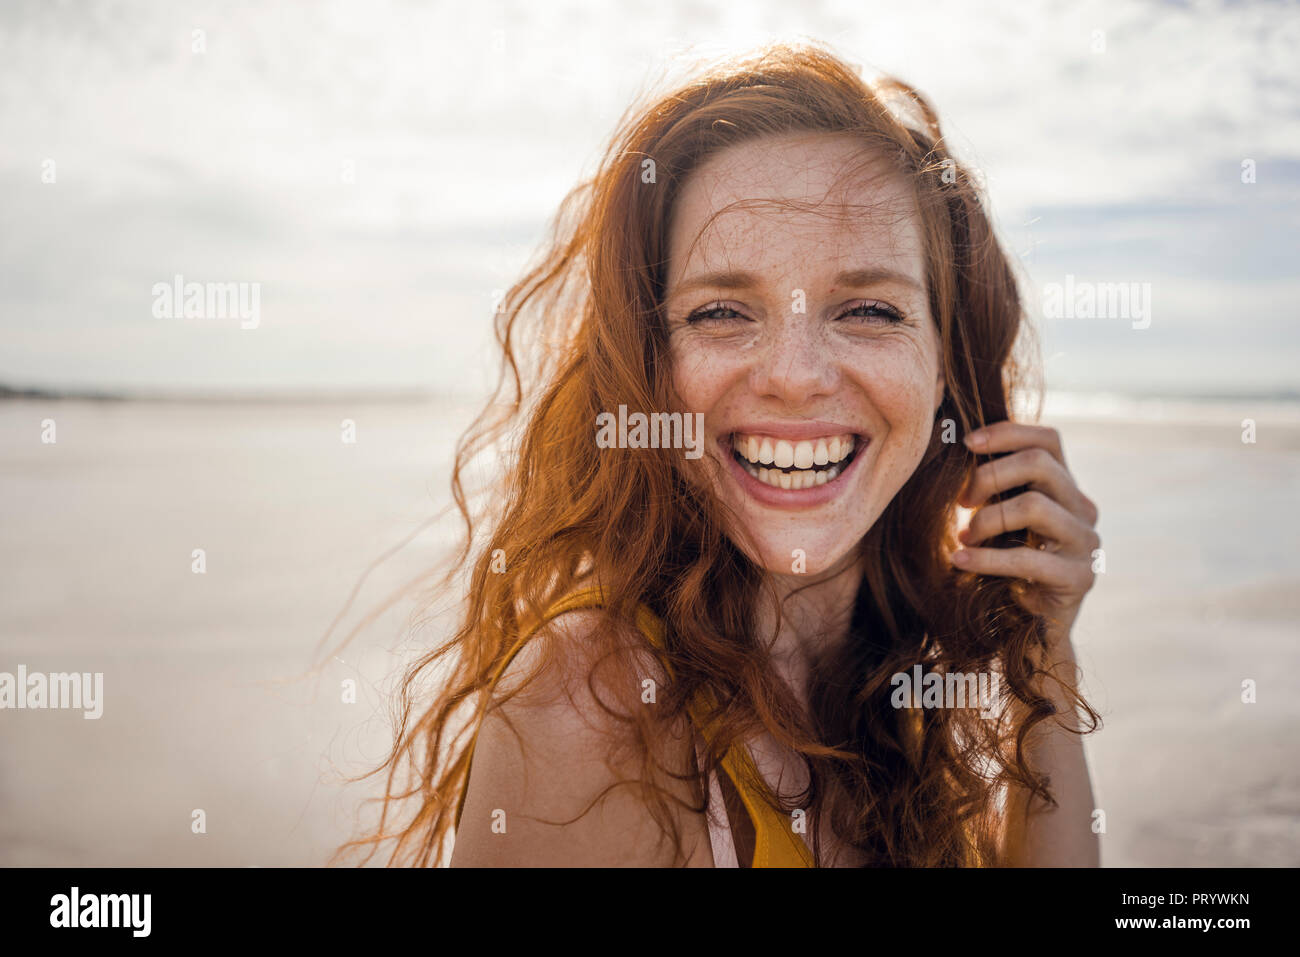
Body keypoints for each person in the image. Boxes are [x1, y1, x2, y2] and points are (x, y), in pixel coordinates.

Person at [337, 41, 1102, 868]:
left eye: (871, 309)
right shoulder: (591, 706)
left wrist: (1042, 655)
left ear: (948, 366)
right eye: (720, 312)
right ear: (648, 366)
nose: (795, 377)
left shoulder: (898, 675)